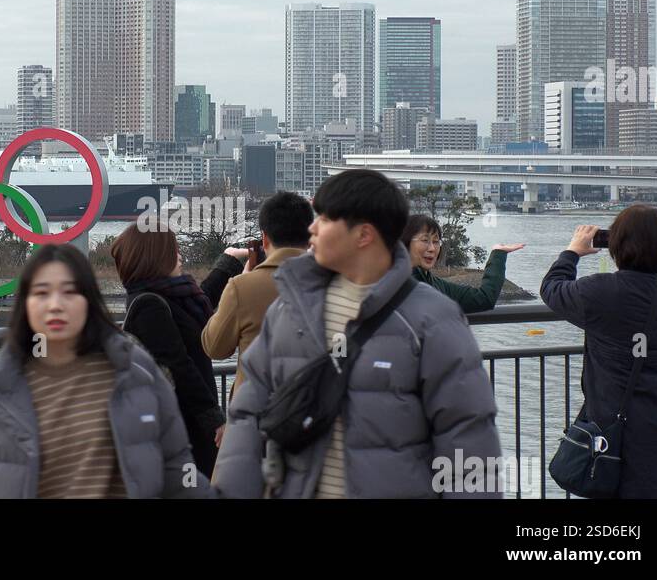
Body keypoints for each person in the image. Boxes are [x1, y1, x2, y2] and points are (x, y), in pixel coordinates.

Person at [212, 169, 502, 498]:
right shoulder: (290, 307)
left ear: (363, 235)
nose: (312, 228)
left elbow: (468, 442)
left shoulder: (432, 318)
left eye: (324, 219)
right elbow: (246, 417)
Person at [0, 244, 209, 499]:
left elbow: (177, 471)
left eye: (69, 291)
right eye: (41, 293)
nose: (55, 305)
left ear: (89, 301)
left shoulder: (135, 374)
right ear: (26, 305)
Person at [540, 206, 657, 498]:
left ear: (617, 244)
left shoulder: (600, 291)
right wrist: (649, 248)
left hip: (617, 432)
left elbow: (552, 288)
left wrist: (572, 252)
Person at [111, 221, 242, 478]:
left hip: (187, 421)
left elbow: (202, 302)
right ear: (156, 257)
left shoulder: (166, 297)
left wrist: (228, 262)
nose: (180, 256)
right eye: (173, 250)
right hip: (181, 425)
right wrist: (215, 421)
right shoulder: (149, 305)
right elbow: (180, 366)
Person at [201, 191, 313, 402]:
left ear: (265, 237)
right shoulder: (333, 284)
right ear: (310, 234)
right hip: (315, 413)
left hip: (254, 413)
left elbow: (214, 347)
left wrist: (238, 284)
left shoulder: (242, 288)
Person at [401, 214, 524, 313]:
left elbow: (483, 299)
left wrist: (498, 254)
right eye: (425, 240)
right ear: (405, 243)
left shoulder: (437, 284)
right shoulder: (393, 285)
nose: (432, 248)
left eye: (436, 241)